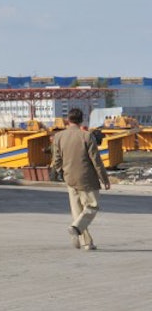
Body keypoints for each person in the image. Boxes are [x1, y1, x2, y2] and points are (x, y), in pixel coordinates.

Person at [51, 107, 110, 251]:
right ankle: (76, 228)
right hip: (87, 178)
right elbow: (96, 160)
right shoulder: (87, 136)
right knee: (92, 206)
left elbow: (56, 160)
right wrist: (104, 178)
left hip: (70, 178)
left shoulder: (59, 137)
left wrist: (61, 172)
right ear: (82, 120)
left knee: (77, 211)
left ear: (67, 120)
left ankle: (86, 243)